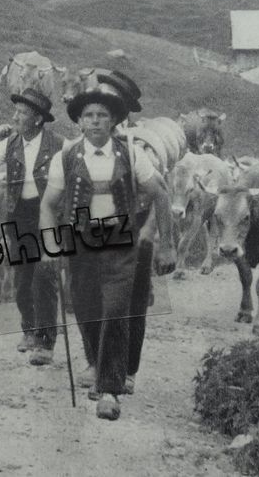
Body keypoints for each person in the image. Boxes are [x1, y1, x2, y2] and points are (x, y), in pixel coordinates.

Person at [39, 80, 177, 421]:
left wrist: (166, 245)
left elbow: (160, 194)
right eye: (89, 116)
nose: (95, 121)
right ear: (79, 121)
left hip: (120, 244)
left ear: (113, 120)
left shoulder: (131, 154)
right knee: (85, 309)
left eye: (102, 115)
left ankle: (110, 390)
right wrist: (49, 247)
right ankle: (99, 367)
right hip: (80, 246)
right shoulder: (65, 157)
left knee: (115, 311)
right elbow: (49, 204)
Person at [0, 88, 64, 365]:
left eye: (22, 113)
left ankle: (46, 342)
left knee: (44, 276)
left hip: (48, 215)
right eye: (16, 111)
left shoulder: (58, 145)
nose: (15, 117)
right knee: (23, 278)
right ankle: (29, 330)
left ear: (38, 119)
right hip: (19, 215)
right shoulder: (11, 143)